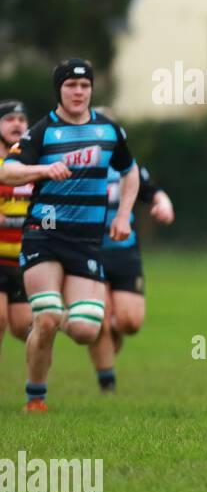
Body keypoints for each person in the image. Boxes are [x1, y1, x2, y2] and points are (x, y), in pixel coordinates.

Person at [0, 59, 139, 412]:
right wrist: (43, 169)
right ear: (59, 90)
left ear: (91, 89)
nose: (78, 92)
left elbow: (130, 171)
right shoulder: (42, 132)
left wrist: (123, 214)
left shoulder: (109, 131)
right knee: (46, 318)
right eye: (70, 86)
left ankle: (58, 313)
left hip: (86, 241)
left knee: (84, 329)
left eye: (84, 86)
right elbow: (8, 172)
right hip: (43, 233)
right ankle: (36, 398)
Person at [86, 140, 175, 392]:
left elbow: (153, 191)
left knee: (130, 323)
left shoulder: (127, 167)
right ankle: (107, 382)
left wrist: (164, 204)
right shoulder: (78, 167)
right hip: (89, 252)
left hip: (125, 254)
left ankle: (113, 326)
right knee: (97, 317)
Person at [0, 101, 34, 361]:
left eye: (22, 119)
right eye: (9, 118)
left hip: (24, 260)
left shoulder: (33, 166)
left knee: (25, 326)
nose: (17, 124)